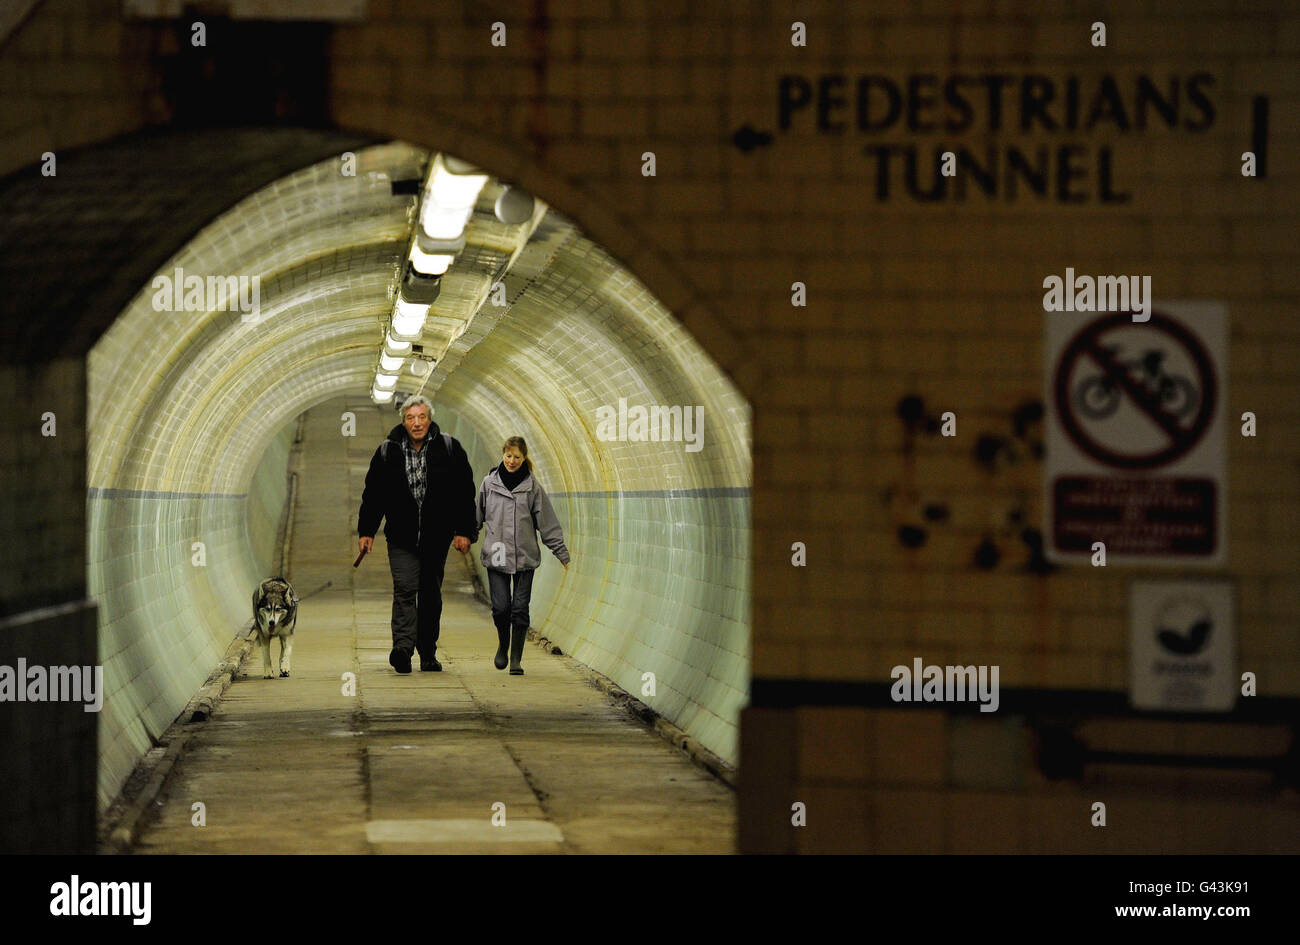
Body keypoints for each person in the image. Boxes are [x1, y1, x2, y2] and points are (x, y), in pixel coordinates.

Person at [357, 395, 476, 674]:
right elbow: (373, 495)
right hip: (401, 537)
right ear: (403, 421)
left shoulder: (449, 449)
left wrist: (464, 531)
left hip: (437, 536)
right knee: (405, 589)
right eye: (411, 418)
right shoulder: (388, 451)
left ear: (430, 419)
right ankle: (402, 649)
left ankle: (427, 652)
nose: (417, 423)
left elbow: (464, 493)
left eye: (421, 417)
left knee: (430, 594)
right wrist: (367, 531)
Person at [476, 436, 569, 675]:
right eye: (508, 456)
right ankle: (503, 645)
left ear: (524, 458)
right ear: (503, 455)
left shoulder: (532, 487)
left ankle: (516, 658)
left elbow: (546, 523)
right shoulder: (489, 483)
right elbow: (476, 515)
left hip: (524, 556)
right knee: (501, 608)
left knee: (519, 608)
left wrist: (561, 553)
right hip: (496, 555)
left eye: (517, 457)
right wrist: (463, 536)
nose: (512, 461)